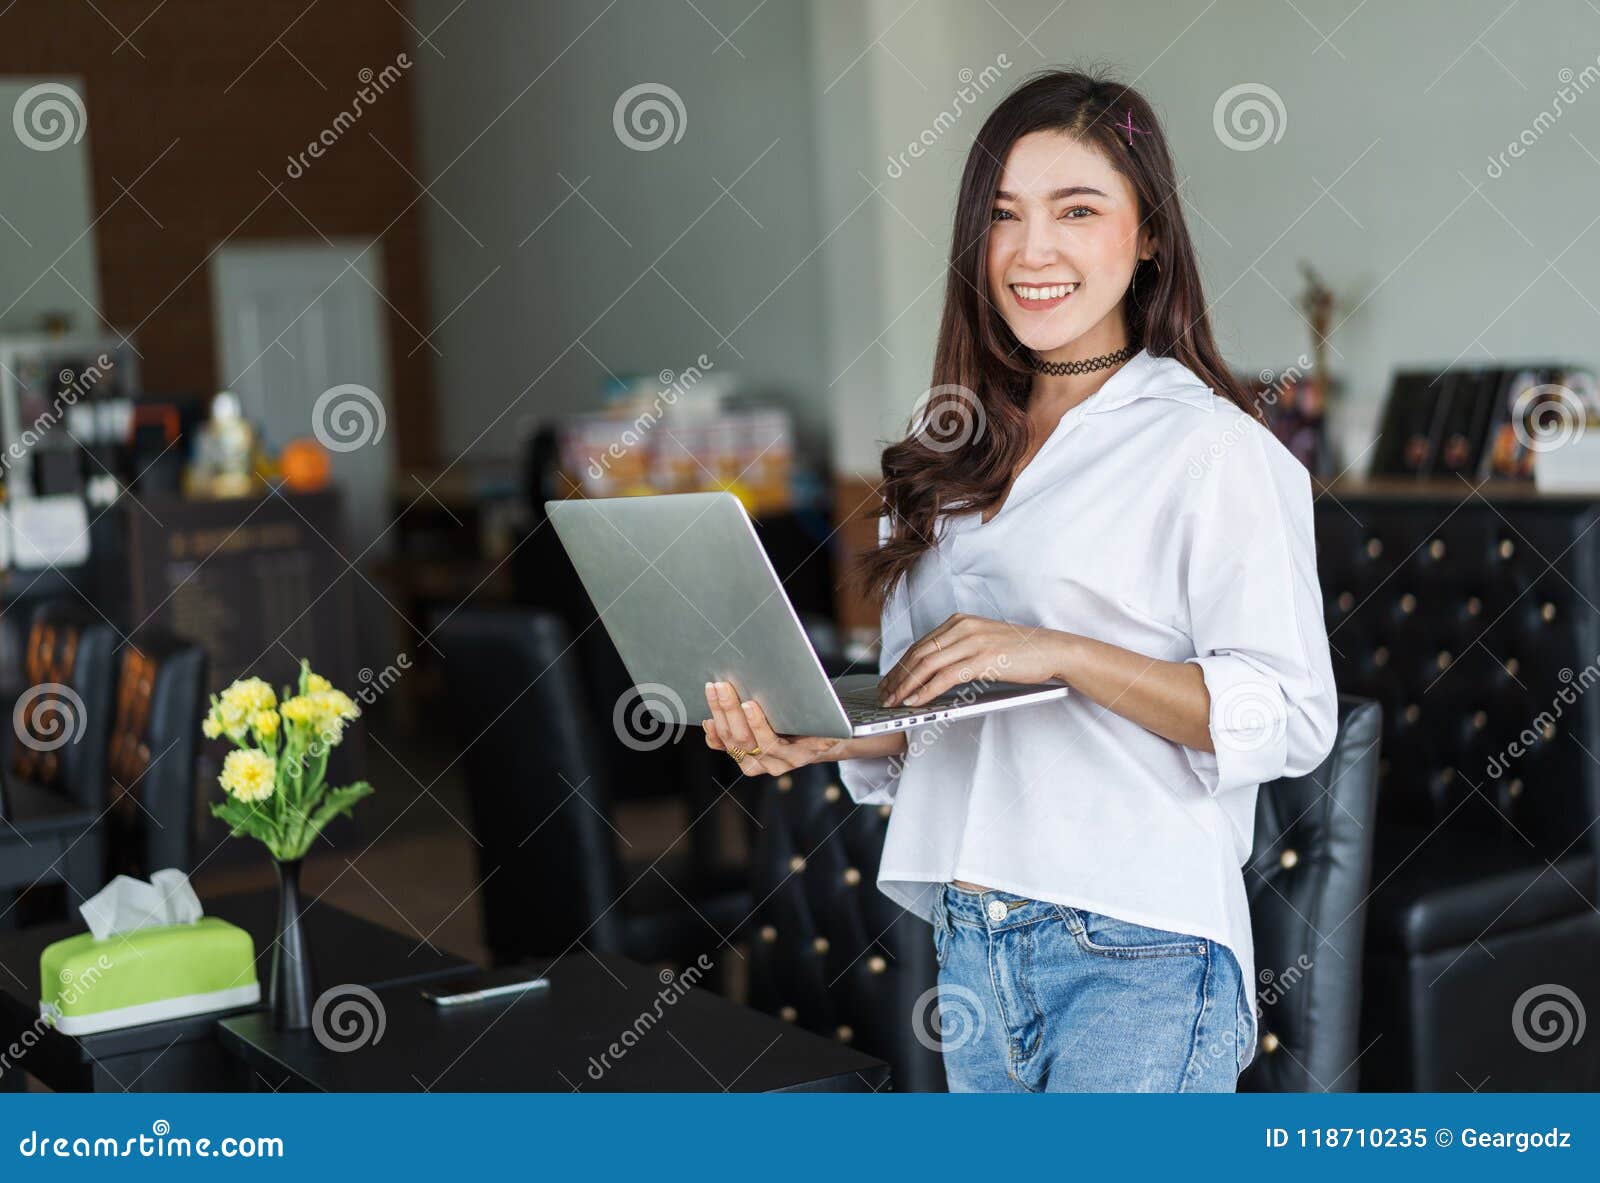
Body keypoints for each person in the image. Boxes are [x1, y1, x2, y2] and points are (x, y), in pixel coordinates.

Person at [700, 68, 1338, 1093]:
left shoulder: (1212, 448)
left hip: (1137, 949)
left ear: (1148, 238)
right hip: (973, 940)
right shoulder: (953, 450)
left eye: (1075, 211)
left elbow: (1294, 716)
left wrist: (1062, 653)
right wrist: (830, 729)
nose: (1031, 250)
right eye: (1002, 217)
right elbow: (953, 706)